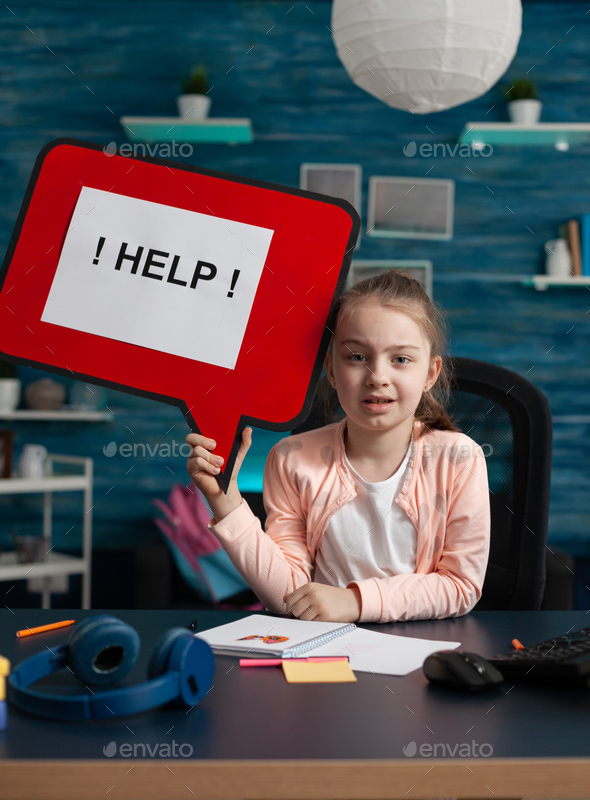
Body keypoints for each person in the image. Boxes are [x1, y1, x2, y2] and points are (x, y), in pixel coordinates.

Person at [185, 270, 490, 624]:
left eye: (401, 359)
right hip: (324, 655)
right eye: (357, 357)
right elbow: (288, 597)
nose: (377, 376)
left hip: (421, 651)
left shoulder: (459, 458)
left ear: (430, 373)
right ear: (330, 369)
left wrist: (354, 602)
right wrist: (226, 500)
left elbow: (460, 585)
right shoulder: (291, 459)